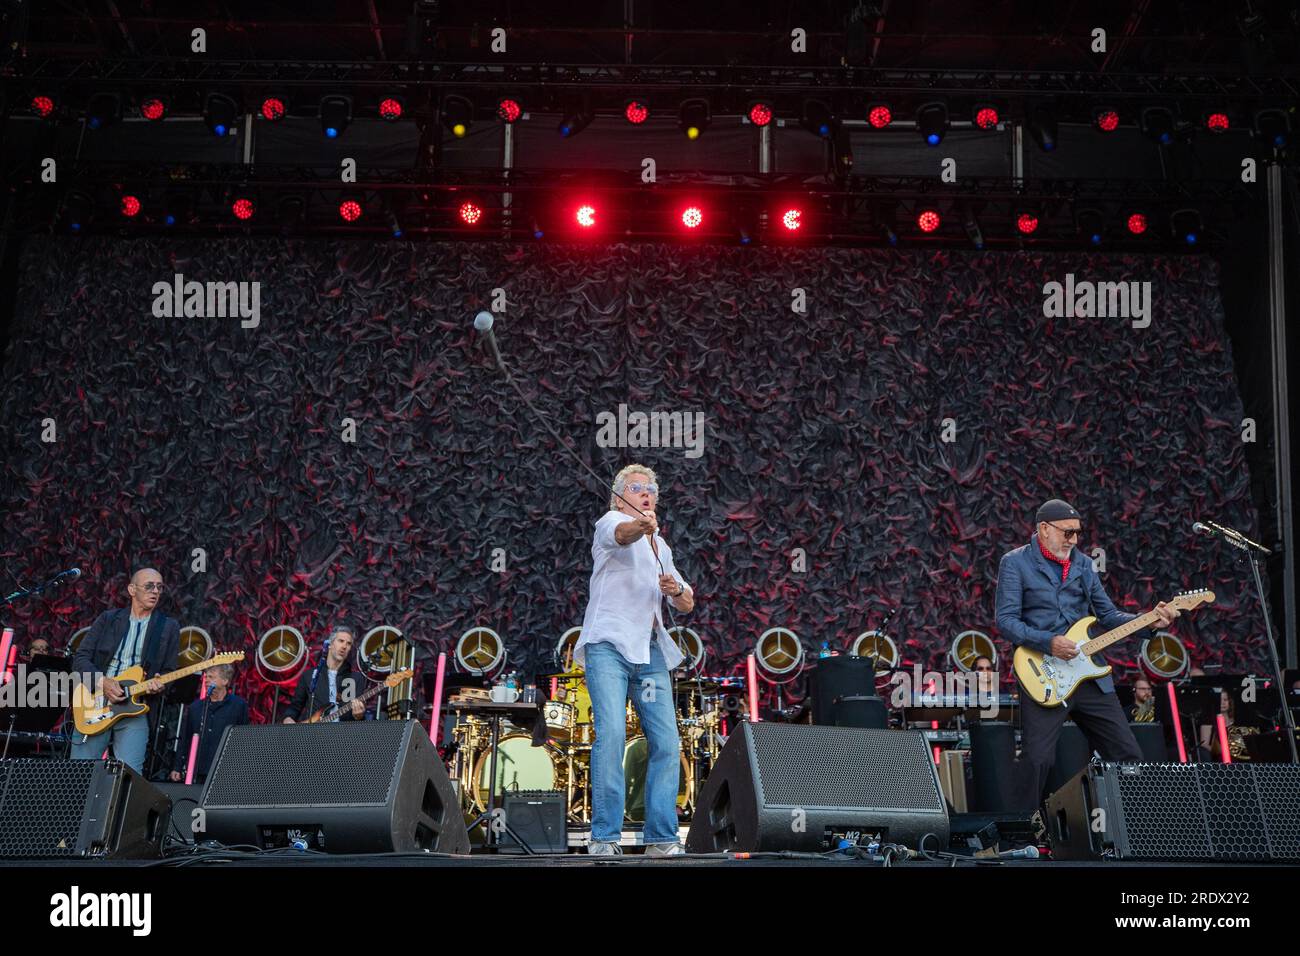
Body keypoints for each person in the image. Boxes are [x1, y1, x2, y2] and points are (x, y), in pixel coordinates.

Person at [995, 499, 1179, 809]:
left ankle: (1137, 826)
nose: (1074, 540)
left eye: (1078, 533)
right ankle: (1021, 830)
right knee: (1038, 760)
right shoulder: (1015, 562)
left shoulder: (1082, 564)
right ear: (1044, 529)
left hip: (1088, 673)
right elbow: (1006, 620)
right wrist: (1048, 642)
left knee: (1127, 755)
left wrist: (1149, 621)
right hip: (1043, 674)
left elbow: (1107, 615)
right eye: (1067, 532)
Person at [575, 464, 694, 857]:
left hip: (649, 652)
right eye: (637, 487)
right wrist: (642, 525)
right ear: (619, 498)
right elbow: (623, 535)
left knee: (667, 741)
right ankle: (604, 837)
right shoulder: (610, 523)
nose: (646, 493)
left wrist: (675, 589)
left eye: (652, 489)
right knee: (611, 736)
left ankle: (661, 838)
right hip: (608, 645)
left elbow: (687, 602)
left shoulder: (661, 546)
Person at [70, 567, 180, 773]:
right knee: (80, 773)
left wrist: (161, 683)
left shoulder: (168, 627)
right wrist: (103, 682)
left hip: (134, 706)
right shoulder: (108, 619)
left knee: (129, 775)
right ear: (132, 589)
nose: (155, 591)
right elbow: (80, 659)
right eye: (149, 586)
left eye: (159, 587)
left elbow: (169, 670)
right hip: (95, 702)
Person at [170, 663, 250, 784]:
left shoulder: (238, 705)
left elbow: (244, 738)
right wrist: (177, 766)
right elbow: (185, 738)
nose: (206, 680)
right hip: (198, 769)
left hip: (226, 770)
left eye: (211, 677)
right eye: (206, 677)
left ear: (225, 681)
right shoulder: (195, 707)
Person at [283, 626, 367, 722]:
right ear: (330, 644)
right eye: (341, 641)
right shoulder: (310, 675)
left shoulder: (356, 678)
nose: (344, 646)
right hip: (315, 730)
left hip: (343, 731)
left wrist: (359, 716)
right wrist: (288, 718)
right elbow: (295, 707)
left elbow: (358, 717)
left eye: (348, 644)